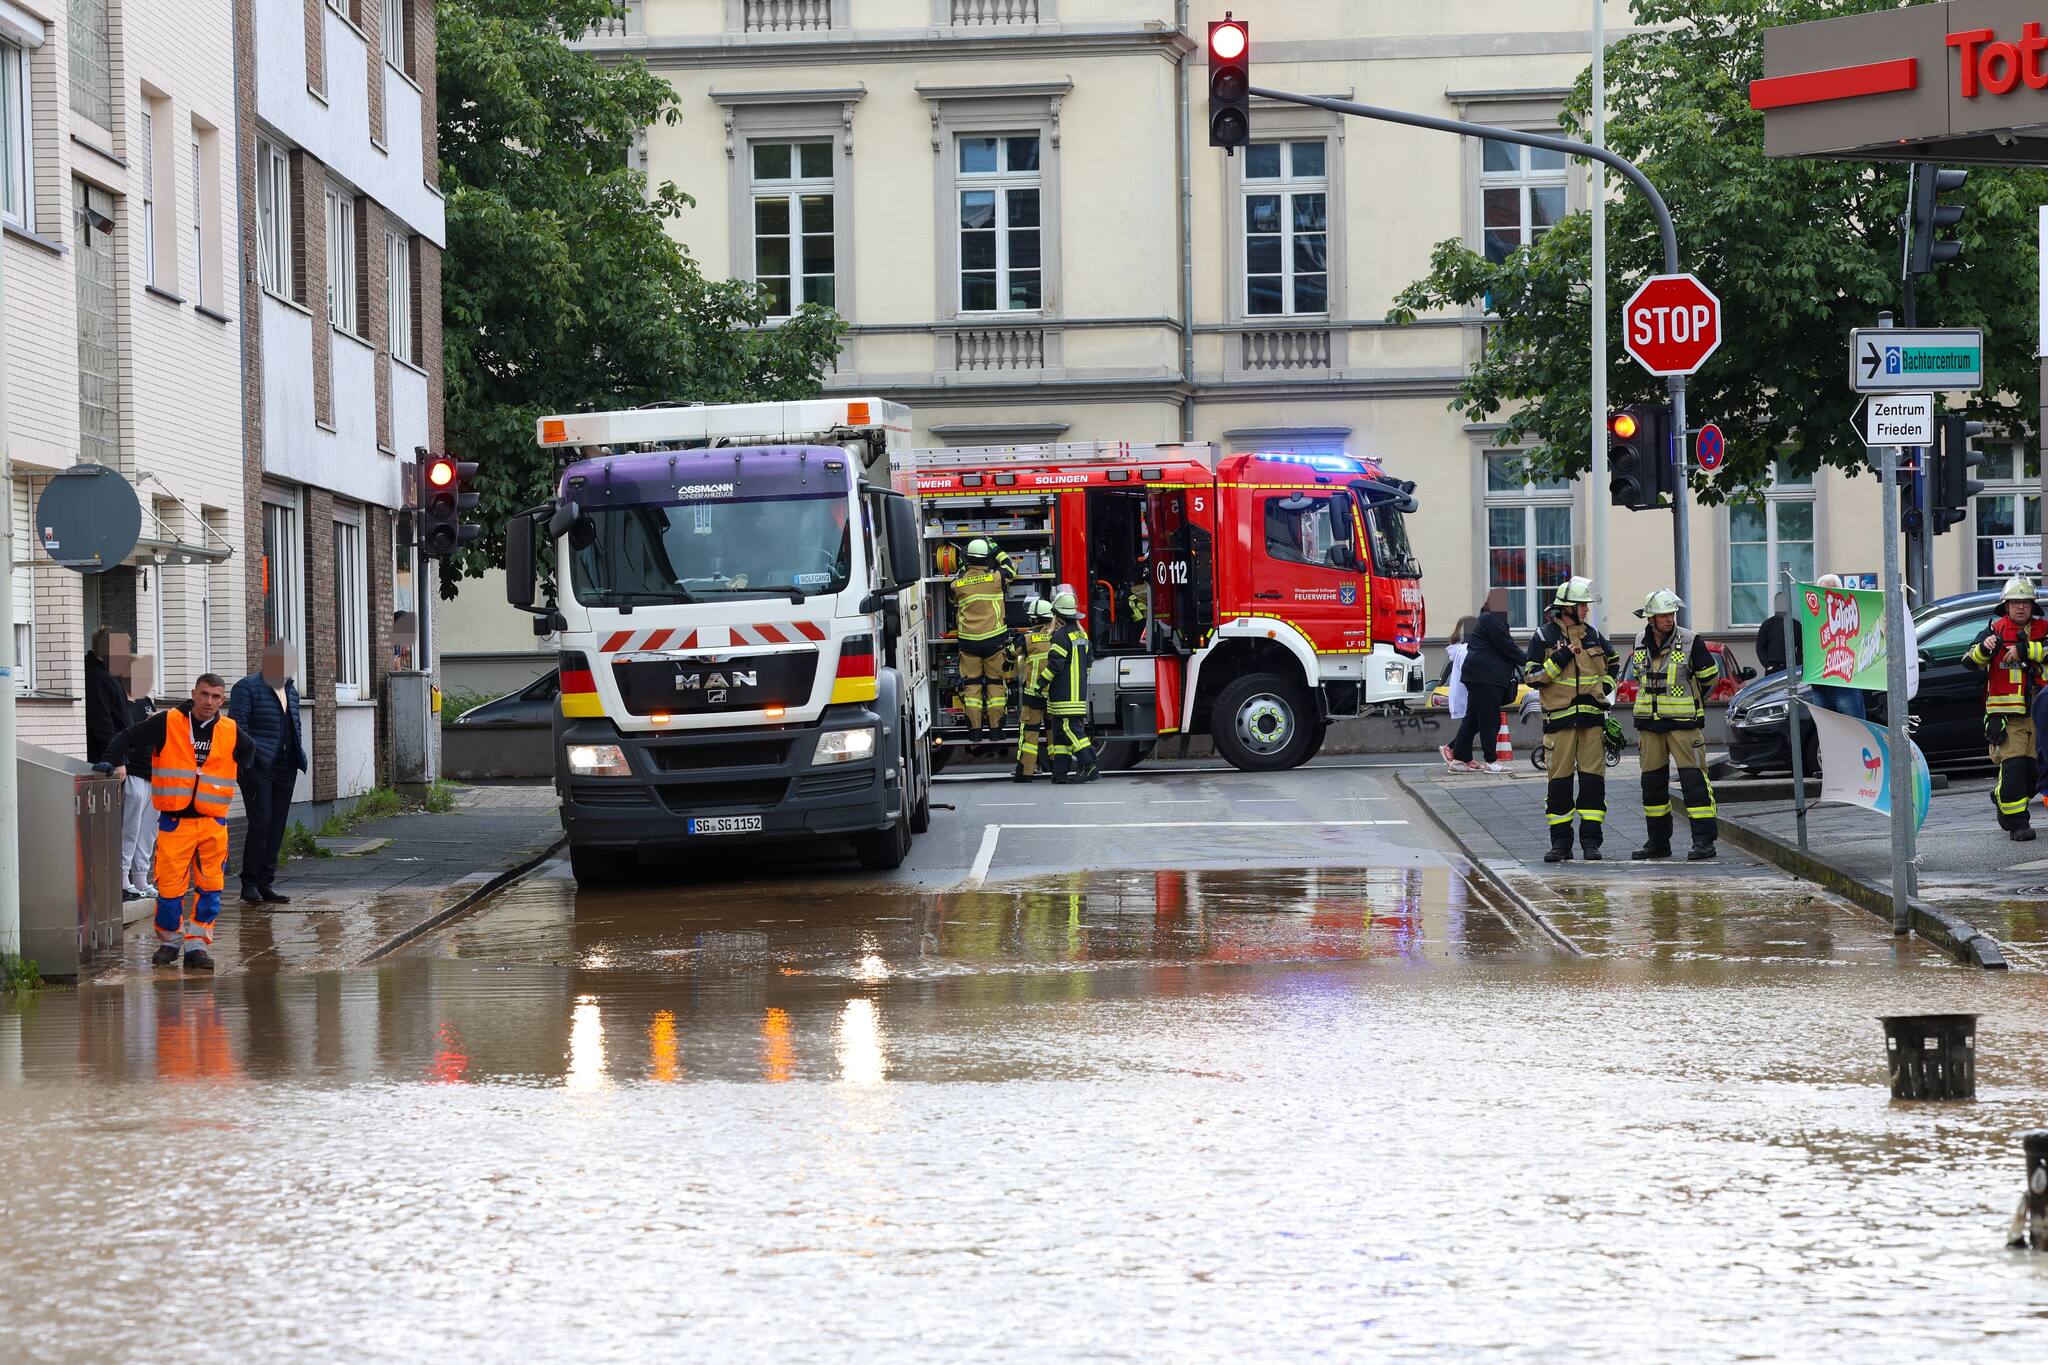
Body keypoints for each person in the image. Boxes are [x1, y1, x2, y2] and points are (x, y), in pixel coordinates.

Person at [100, 673, 257, 971]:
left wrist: (240, 773)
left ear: (222, 700)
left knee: (211, 887)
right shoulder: (168, 722)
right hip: (176, 821)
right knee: (170, 887)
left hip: (212, 822)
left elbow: (249, 751)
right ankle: (170, 942)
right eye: (204, 694)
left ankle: (197, 945)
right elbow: (127, 737)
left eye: (215, 697)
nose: (208, 702)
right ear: (194, 694)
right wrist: (113, 758)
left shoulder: (229, 730)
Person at [1525, 577, 1621, 862]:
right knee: (1559, 786)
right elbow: (1531, 676)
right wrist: (1562, 656)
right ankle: (1561, 845)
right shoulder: (1543, 637)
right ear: (1566, 609)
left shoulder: (1593, 634)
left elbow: (1614, 663)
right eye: (1582, 606)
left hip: (1592, 722)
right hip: (1559, 724)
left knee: (1593, 785)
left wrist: (1604, 688)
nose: (1586, 610)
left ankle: (1591, 844)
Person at [1627, 590, 1720, 861]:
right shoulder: (1639, 642)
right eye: (1664, 615)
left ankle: (1704, 842)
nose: (1669, 619)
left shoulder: (1691, 641)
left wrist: (1692, 701)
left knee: (1695, 784)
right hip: (1649, 727)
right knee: (1652, 786)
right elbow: (1638, 677)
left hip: (1683, 726)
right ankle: (1658, 843)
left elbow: (1709, 678)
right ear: (1651, 618)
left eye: (1672, 614)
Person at [1965, 576, 2047, 842]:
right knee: (2014, 770)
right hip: (2008, 717)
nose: (2020, 607)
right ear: (2006, 605)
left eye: (2025, 602)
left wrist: (2025, 650)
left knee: (2037, 771)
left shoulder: (2045, 630)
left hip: (2042, 715)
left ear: (2032, 606)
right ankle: (2016, 823)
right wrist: (1983, 649)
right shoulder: (1993, 631)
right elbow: (1968, 661)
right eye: (2015, 603)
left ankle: (2001, 796)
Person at [228, 642, 308, 903]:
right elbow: (237, 728)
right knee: (261, 823)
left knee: (276, 826)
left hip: (286, 767)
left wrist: (297, 754)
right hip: (257, 768)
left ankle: (266, 882)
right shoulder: (247, 687)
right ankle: (249, 883)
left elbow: (293, 725)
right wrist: (253, 757)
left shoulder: (291, 690)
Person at [949, 537, 1016, 740]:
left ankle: (975, 732)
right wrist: (996, 549)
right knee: (995, 683)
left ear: (966, 560)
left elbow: (953, 599)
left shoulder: (957, 584)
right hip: (993, 641)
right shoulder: (996, 578)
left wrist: (963, 569)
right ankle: (996, 731)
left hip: (968, 642)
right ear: (987, 560)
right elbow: (1010, 568)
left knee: (972, 685)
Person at [1448, 590, 1519, 772]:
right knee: (1490, 720)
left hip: (1479, 675)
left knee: (1472, 719)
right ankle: (1491, 761)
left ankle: (1458, 760)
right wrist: (1529, 658)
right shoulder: (1492, 620)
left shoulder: (1486, 619)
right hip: (1486, 677)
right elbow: (1507, 646)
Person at [117, 654, 160, 900]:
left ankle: (142, 878)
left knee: (148, 831)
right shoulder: (122, 702)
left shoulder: (145, 701)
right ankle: (123, 880)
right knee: (129, 828)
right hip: (133, 772)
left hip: (153, 773)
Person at [1044, 587, 1097, 784]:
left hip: (1063, 693)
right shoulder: (1081, 635)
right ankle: (1060, 773)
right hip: (1077, 693)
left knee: (1069, 729)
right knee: (1060, 734)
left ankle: (1089, 764)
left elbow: (1054, 667)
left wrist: (1041, 683)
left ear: (1056, 615)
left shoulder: (1060, 636)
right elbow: (1089, 663)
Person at [1805, 574, 1867, 721]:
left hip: (1843, 682)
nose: (1828, 596)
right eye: (1823, 591)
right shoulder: (1813, 615)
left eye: (1832, 590)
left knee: (1852, 725)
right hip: (1820, 682)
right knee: (1825, 727)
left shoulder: (1851, 613)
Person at [1012, 598, 1057, 782]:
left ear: (1034, 619)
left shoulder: (1028, 639)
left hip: (1033, 694)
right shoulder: (1059, 636)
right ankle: (1058, 767)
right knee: (1054, 731)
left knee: (1030, 733)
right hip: (1055, 694)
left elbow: (1010, 652)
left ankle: (1025, 772)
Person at [84, 627, 133, 768]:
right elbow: (102, 722)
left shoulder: (109, 675)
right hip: (105, 762)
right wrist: (116, 759)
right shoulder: (97, 677)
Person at [1438, 616, 1474, 771]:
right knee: (1472, 724)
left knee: (1471, 723)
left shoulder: (1460, 649)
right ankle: (1453, 749)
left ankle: (1465, 757)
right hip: (1467, 691)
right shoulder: (1465, 650)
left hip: (1463, 692)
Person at [1754, 592, 1789, 674]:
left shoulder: (1795, 625)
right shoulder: (1767, 625)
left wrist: (1798, 664)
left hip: (1790, 668)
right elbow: (1760, 648)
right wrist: (1768, 666)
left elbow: (1802, 647)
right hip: (1773, 668)